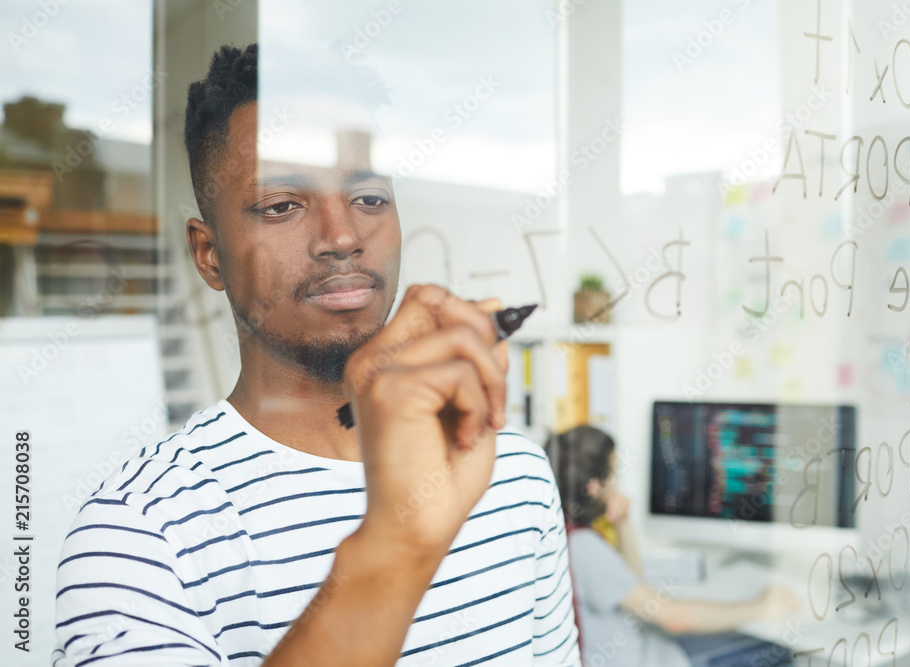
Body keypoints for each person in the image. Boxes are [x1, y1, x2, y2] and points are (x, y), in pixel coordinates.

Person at [51, 43, 580, 666]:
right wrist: (397, 542)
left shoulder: (511, 467)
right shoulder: (140, 536)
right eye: (282, 206)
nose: (342, 236)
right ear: (208, 253)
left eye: (369, 198)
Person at [546, 426, 799, 667]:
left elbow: (634, 583)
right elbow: (674, 619)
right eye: (612, 476)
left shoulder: (564, 536)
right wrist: (760, 606)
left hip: (651, 648)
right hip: (656, 660)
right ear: (593, 487)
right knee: (778, 651)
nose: (616, 486)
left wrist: (623, 522)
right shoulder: (584, 548)